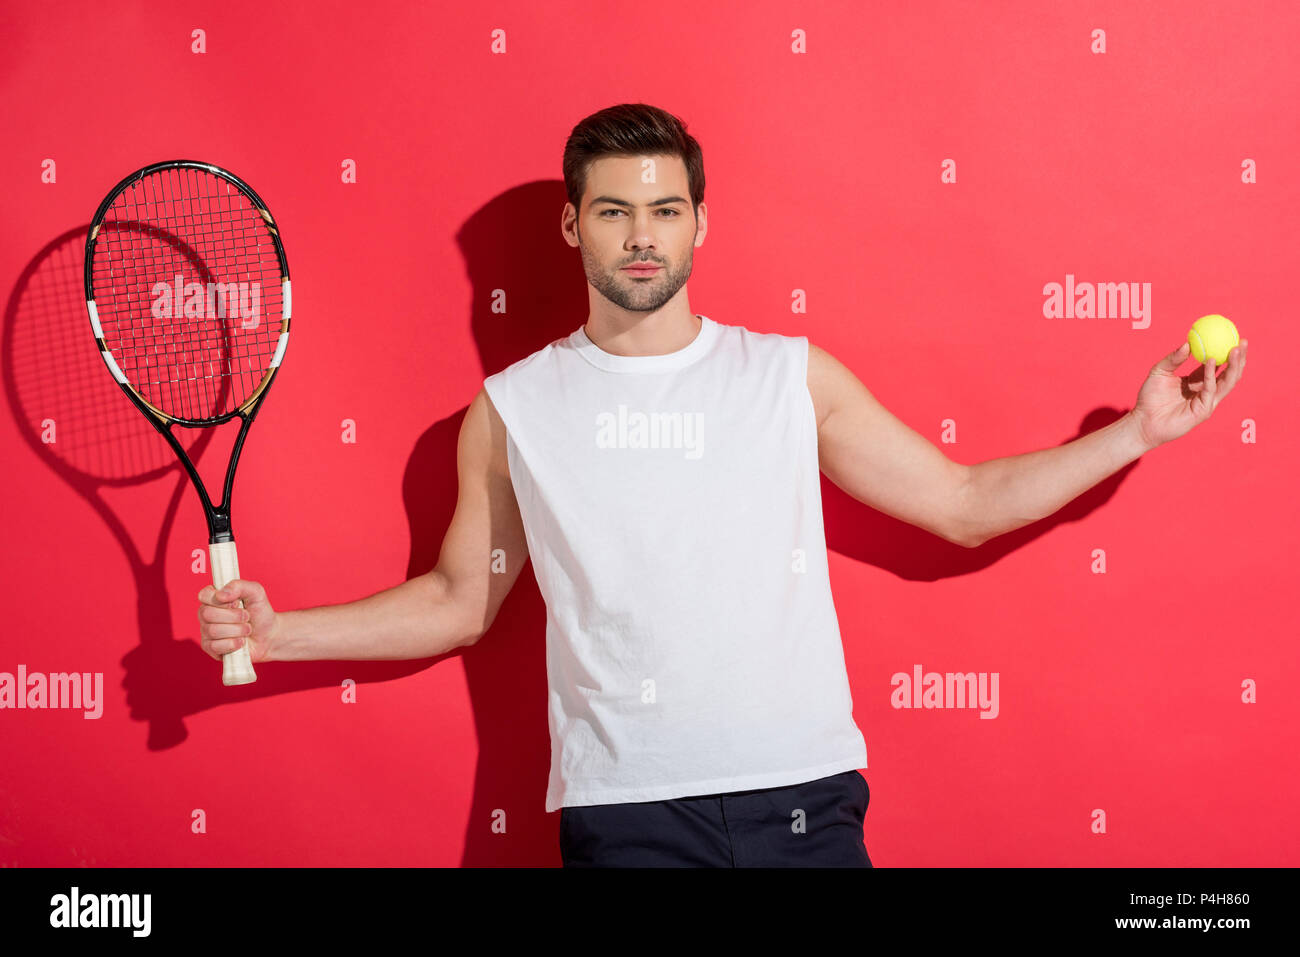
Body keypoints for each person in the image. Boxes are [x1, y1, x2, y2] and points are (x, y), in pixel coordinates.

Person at [197, 103, 1247, 867]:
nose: (641, 236)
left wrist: (1137, 434)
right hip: (629, 811)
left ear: (701, 222)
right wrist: (278, 632)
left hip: (805, 797)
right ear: (573, 228)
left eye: (663, 210)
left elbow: (962, 505)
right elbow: (459, 602)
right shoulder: (511, 409)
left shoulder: (787, 374)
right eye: (612, 212)